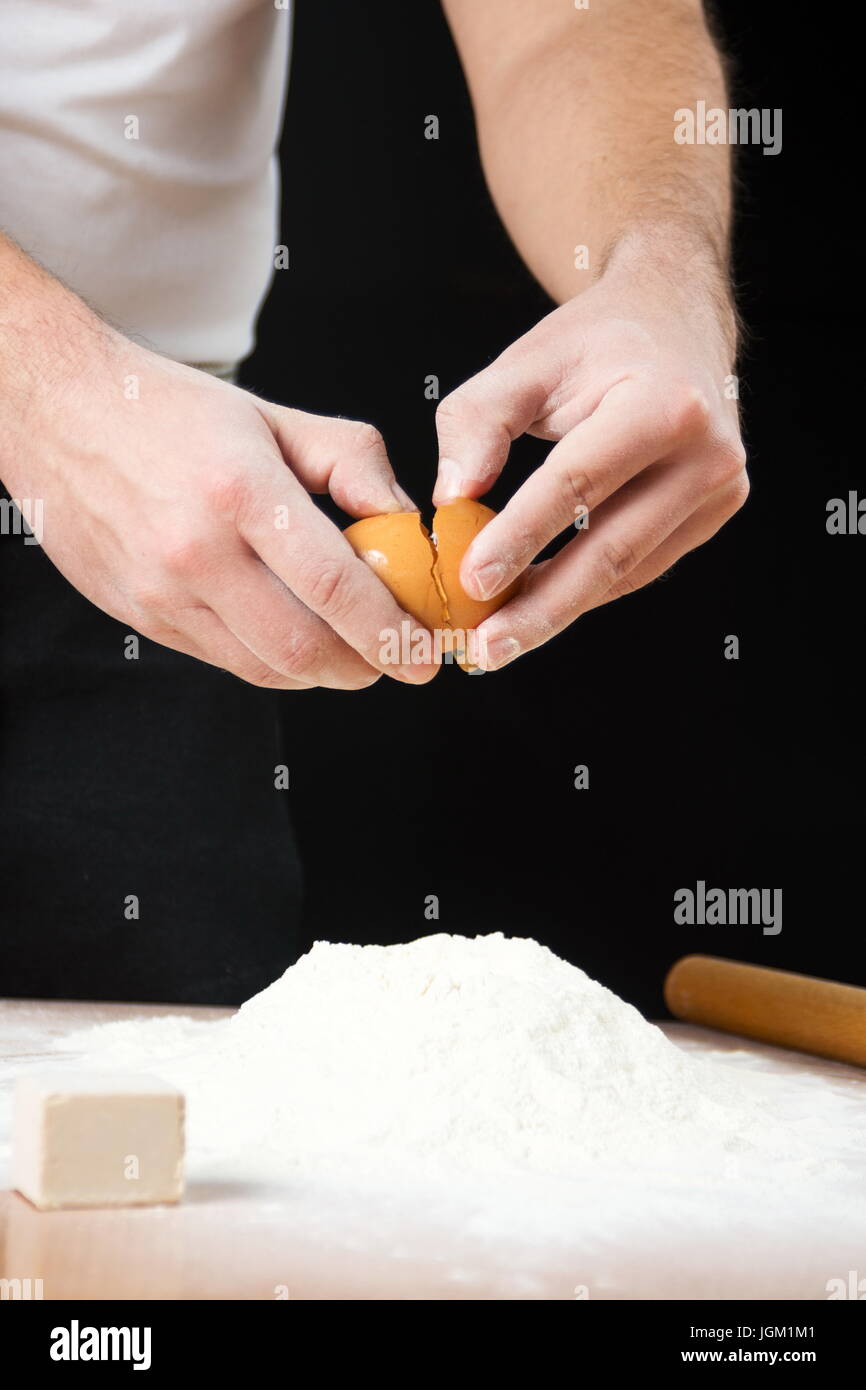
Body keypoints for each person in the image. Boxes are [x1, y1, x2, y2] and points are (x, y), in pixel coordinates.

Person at [0, 0, 747, 1003]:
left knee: (168, 1119)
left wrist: (658, 272)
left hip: (174, 539)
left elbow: (562, 23)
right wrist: (41, 383)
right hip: (112, 445)